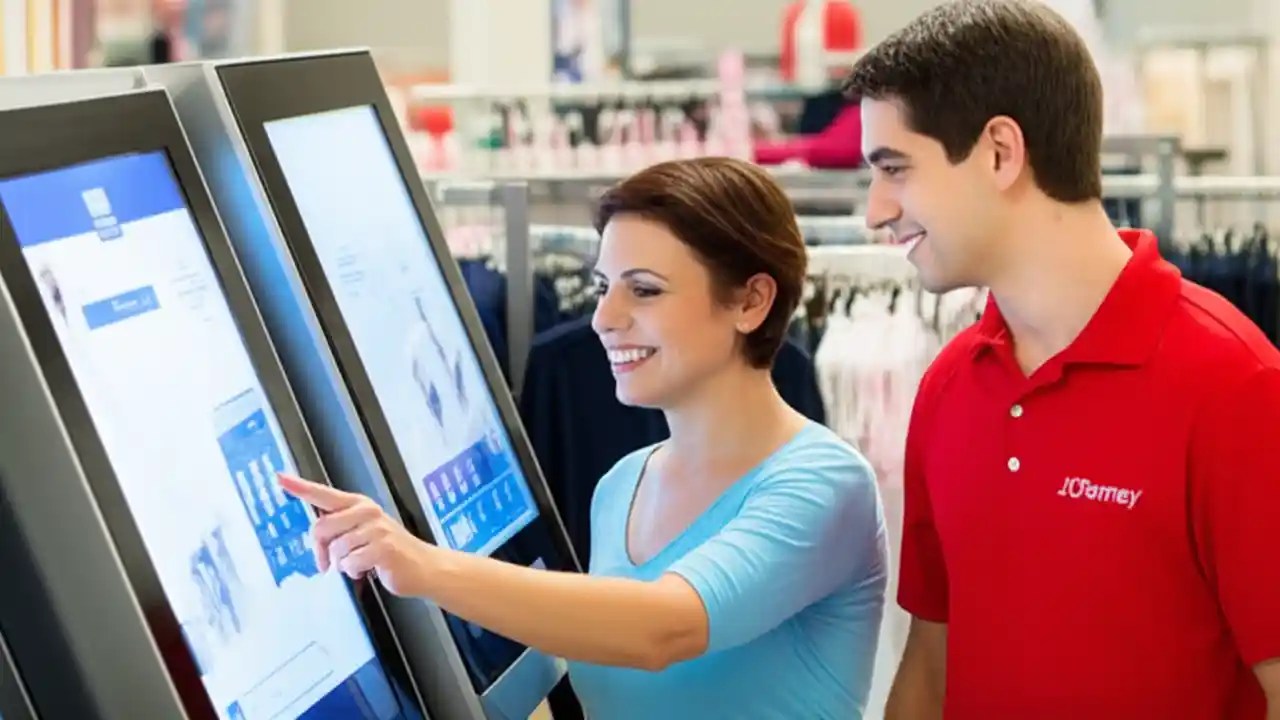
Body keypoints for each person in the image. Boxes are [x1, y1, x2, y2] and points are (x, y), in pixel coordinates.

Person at [280, 157, 888, 719]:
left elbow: (661, 629)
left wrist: (421, 564)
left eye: (644, 290)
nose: (603, 318)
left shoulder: (824, 484)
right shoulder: (621, 487)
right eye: (603, 287)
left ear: (752, 301)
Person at [840, 2, 1280, 719]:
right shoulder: (948, 387)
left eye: (895, 169)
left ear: (1000, 153)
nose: (875, 210)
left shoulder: (1234, 386)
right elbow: (930, 662)